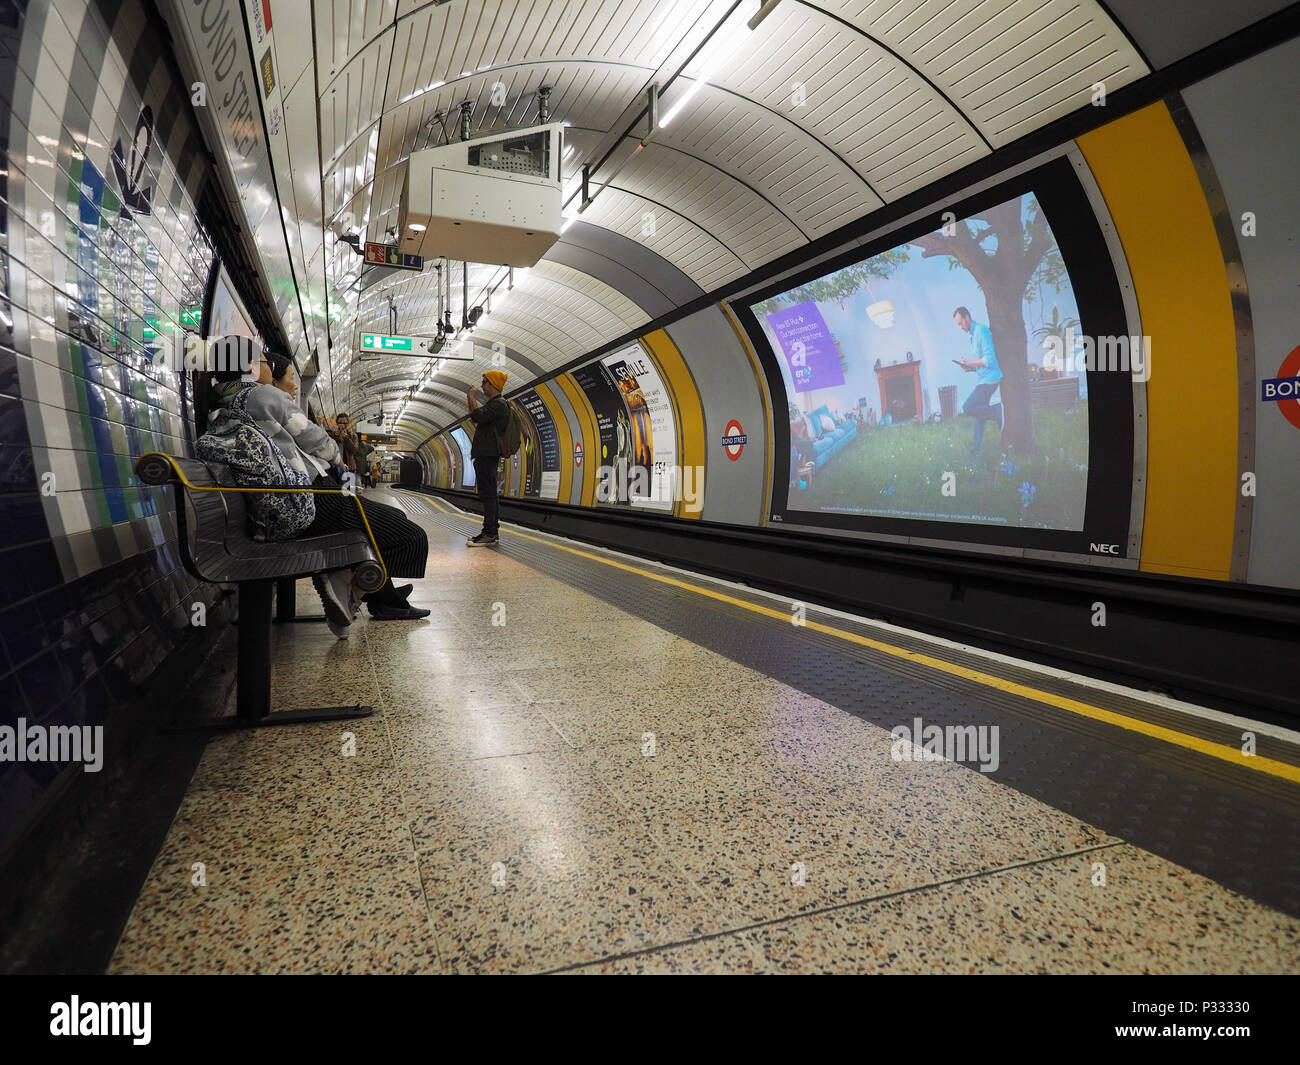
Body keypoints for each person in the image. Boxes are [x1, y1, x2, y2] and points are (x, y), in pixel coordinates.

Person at [211, 353, 430, 635]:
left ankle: (375, 591)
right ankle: (354, 588)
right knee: (410, 535)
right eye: (263, 363)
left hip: (285, 504)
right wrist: (337, 460)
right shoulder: (261, 396)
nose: (292, 383)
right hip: (310, 501)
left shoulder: (227, 404)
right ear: (249, 366)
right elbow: (313, 437)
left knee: (386, 519)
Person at [465, 369, 510, 546]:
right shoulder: (494, 404)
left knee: (489, 495)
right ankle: (490, 532)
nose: (482, 385)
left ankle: (490, 533)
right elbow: (477, 417)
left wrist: (471, 396)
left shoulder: (499, 404)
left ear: (492, 384)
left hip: (488, 455)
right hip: (485, 455)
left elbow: (476, 416)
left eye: (484, 382)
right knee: (488, 494)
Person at [953, 305, 1004, 454]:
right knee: (979, 415)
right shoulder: (972, 334)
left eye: (960, 323)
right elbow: (982, 363)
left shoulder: (981, 331)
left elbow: (989, 359)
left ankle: (997, 410)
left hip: (990, 379)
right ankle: (975, 450)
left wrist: (970, 362)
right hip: (984, 377)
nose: (960, 327)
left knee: (968, 407)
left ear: (967, 318)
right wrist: (969, 367)